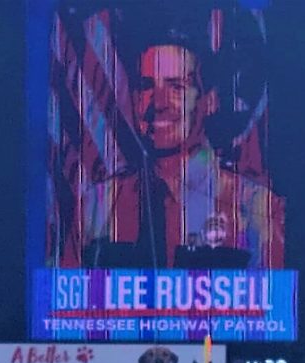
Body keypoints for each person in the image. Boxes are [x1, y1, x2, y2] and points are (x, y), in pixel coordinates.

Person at [58, 29, 283, 270]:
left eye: (177, 87)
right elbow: (65, 302)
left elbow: (275, 302)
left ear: (209, 101)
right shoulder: (96, 207)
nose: (159, 103)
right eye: (147, 87)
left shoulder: (257, 209)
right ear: (135, 100)